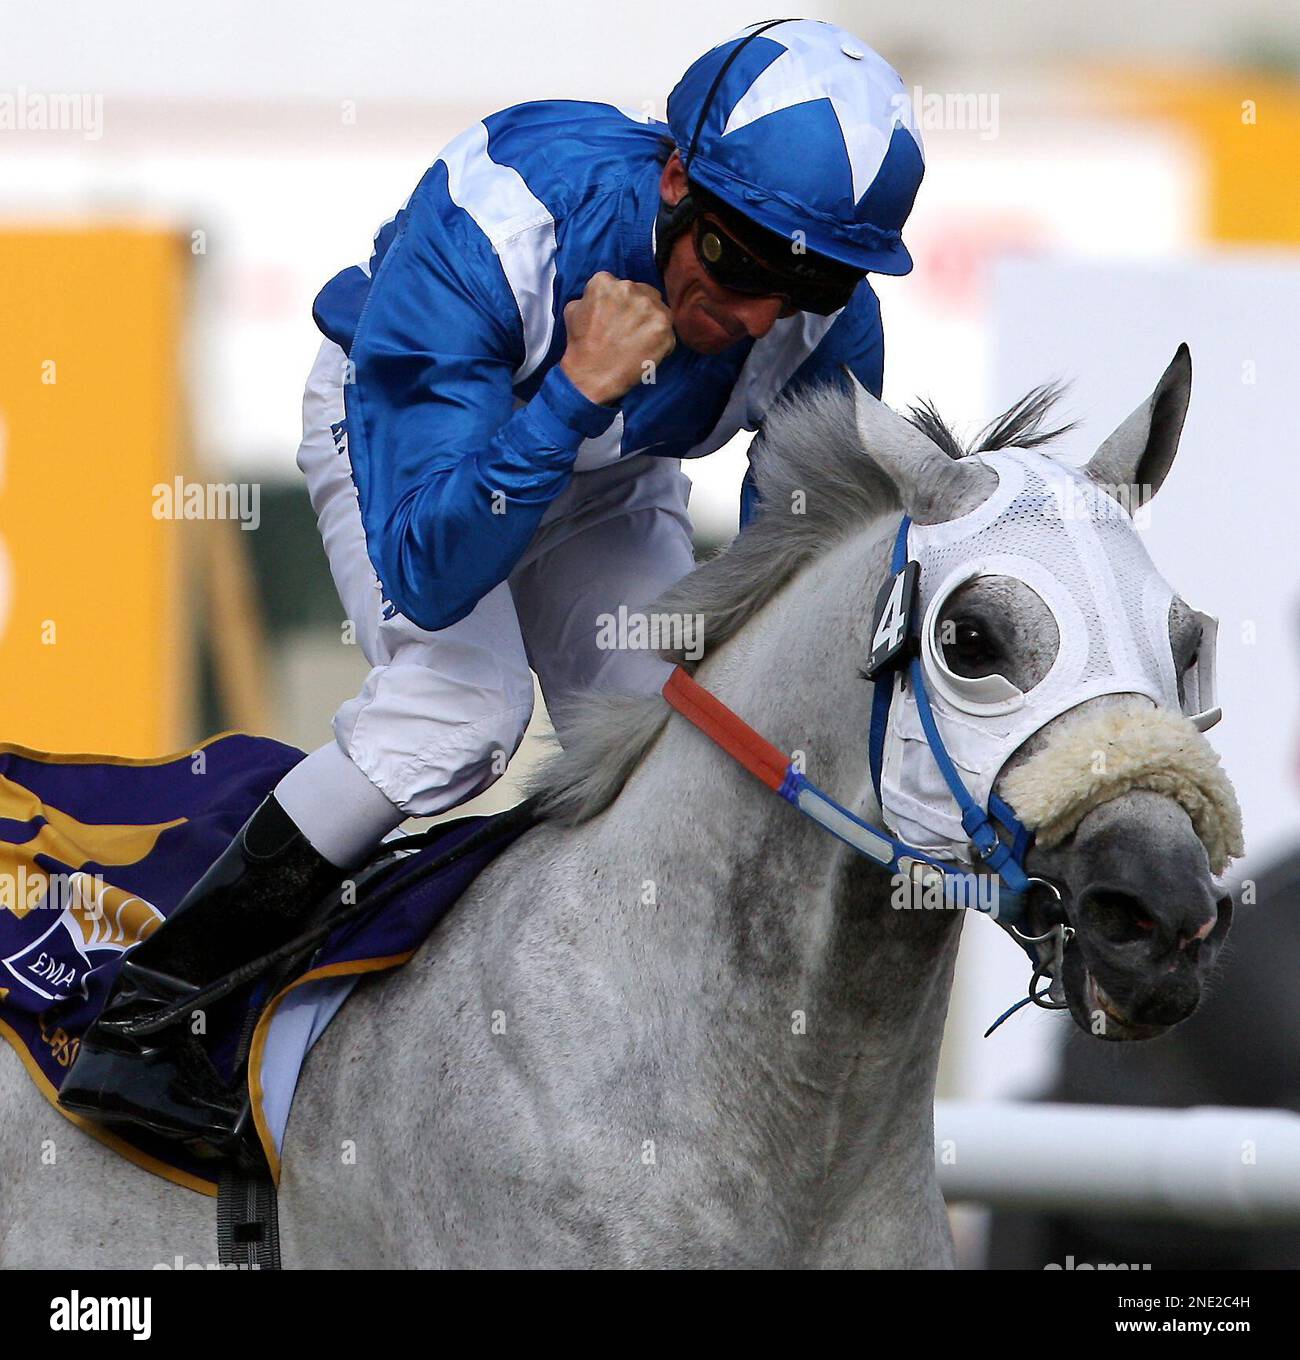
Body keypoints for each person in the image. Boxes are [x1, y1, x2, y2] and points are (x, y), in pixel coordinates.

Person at [60, 18, 926, 1147]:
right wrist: (569, 393)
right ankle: (146, 1016)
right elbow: (430, 568)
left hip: (605, 471)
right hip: (406, 441)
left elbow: (780, 592)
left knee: (683, 731)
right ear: (673, 179)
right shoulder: (503, 225)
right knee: (456, 713)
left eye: (809, 280)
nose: (759, 315)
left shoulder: (828, 325)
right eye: (742, 261)